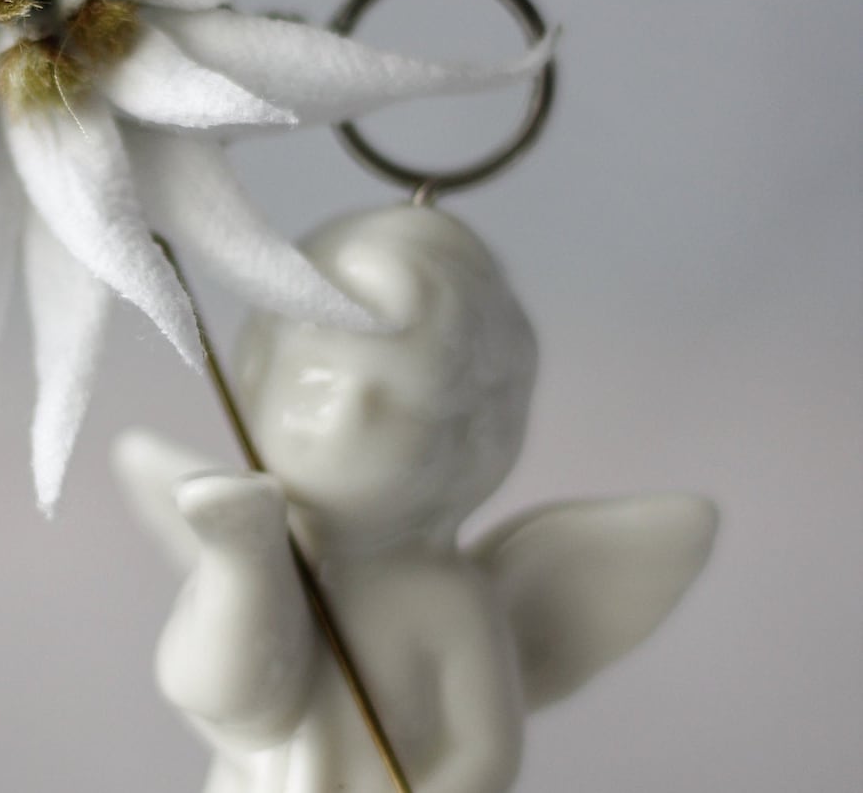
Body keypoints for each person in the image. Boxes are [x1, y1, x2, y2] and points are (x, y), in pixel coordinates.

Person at [115, 205, 716, 793]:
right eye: (314, 381)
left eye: (396, 406)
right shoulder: (262, 551)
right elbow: (226, 698)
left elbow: (486, 751)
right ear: (256, 374)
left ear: (469, 444)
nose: (342, 420)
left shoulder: (448, 601)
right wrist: (241, 558)